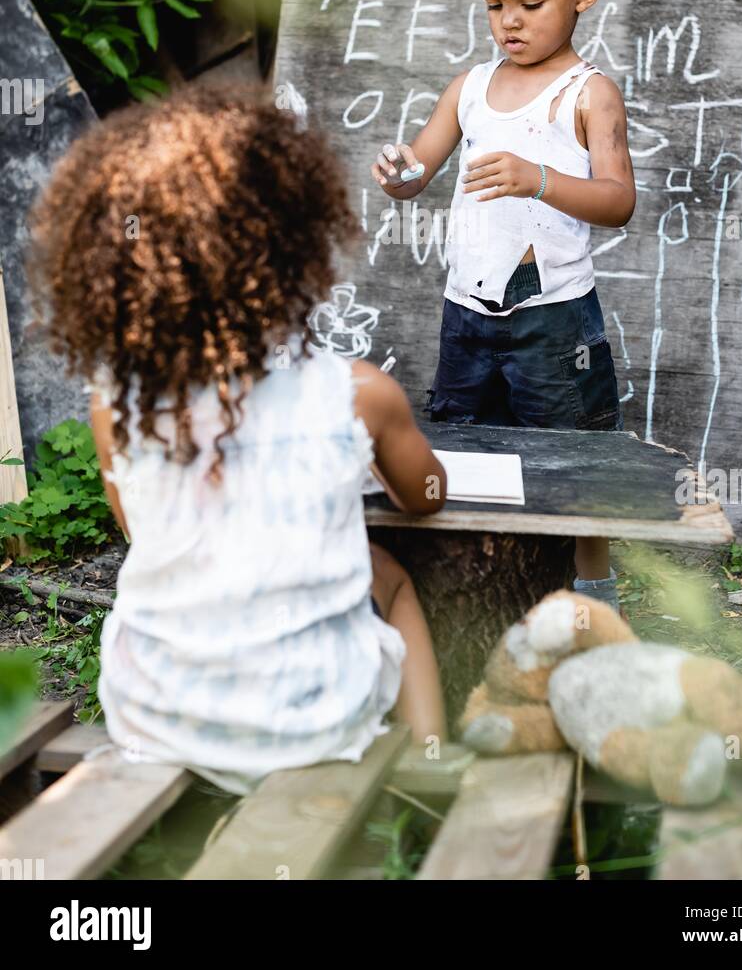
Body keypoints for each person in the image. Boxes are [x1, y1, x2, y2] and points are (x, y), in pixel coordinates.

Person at [27, 84, 448, 797]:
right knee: (389, 575)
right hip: (320, 726)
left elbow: (145, 528)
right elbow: (426, 498)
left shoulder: (117, 404)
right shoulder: (359, 393)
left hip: (157, 717)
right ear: (291, 254)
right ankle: (435, 771)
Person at [371, 0, 636, 614]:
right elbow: (420, 167)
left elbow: (618, 200)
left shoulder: (587, 93)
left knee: (574, 451)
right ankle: (460, 580)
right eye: (493, 5)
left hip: (553, 321)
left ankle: (593, 588)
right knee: (459, 440)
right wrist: (398, 170)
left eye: (530, 2)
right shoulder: (470, 88)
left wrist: (539, 180)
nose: (509, 22)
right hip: (468, 312)